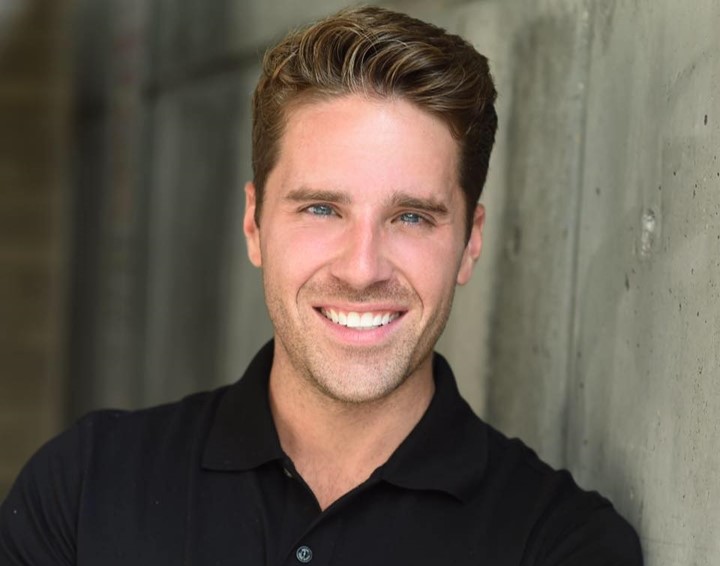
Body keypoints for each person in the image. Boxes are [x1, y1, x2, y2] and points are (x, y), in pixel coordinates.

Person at [0, 6, 642, 565]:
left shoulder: (558, 544)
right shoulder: (84, 490)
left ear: (470, 243)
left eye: (411, 217)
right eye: (321, 209)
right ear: (254, 225)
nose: (362, 269)